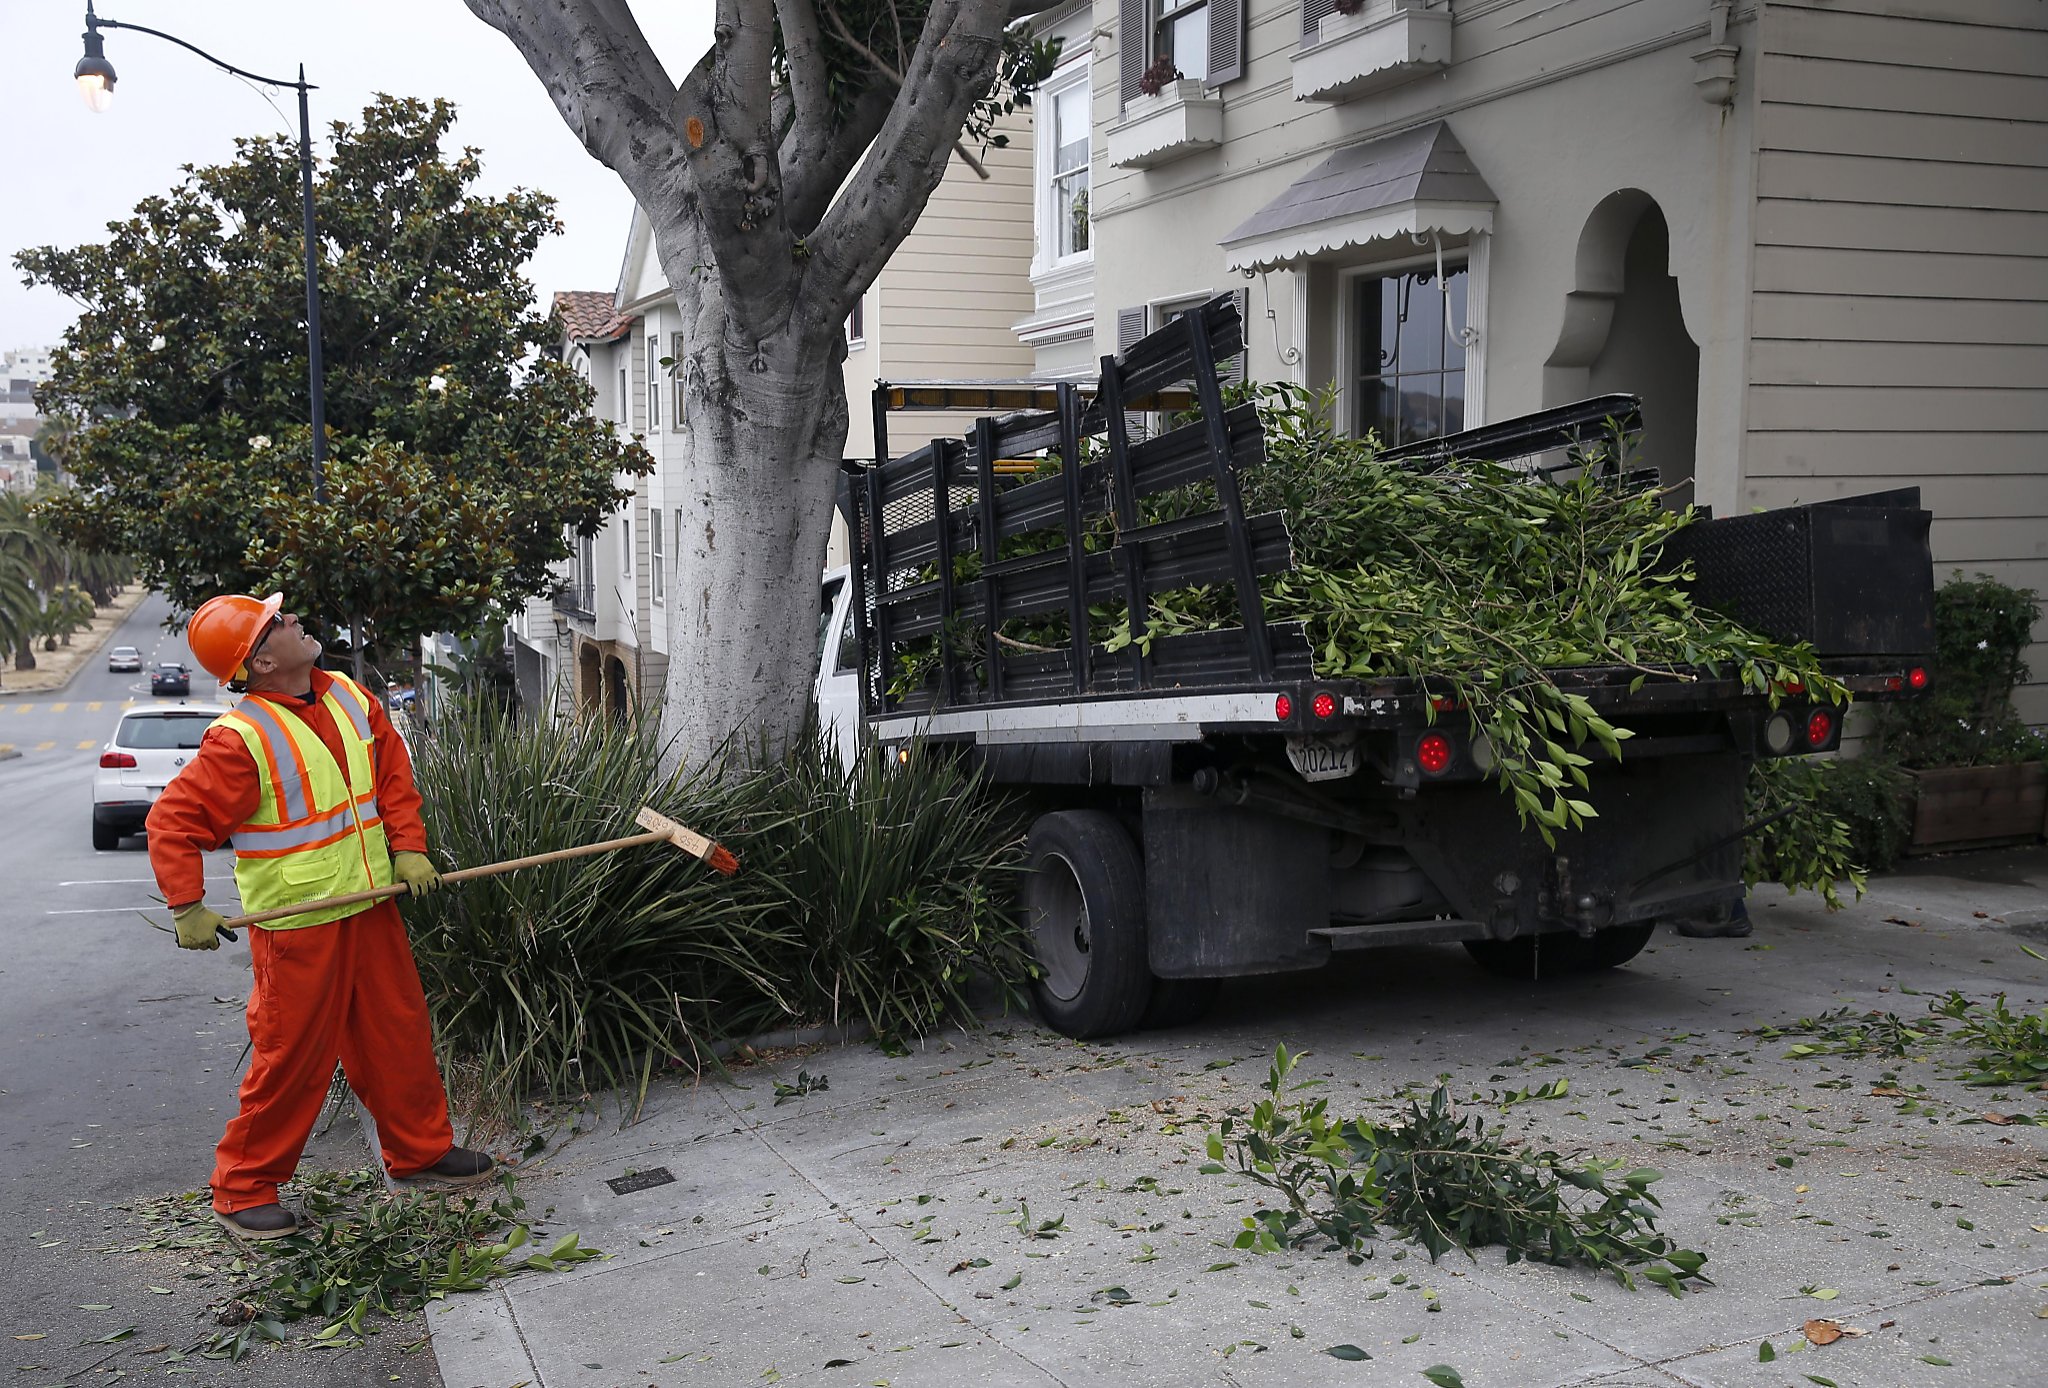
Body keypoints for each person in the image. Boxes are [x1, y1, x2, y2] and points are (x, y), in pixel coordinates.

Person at [147, 592, 494, 1239]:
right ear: (261, 661)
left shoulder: (350, 698)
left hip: (368, 906)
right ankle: (243, 1188)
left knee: (398, 1033)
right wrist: (186, 904)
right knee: (293, 1060)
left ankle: (420, 1151)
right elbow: (173, 820)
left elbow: (393, 775)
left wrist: (410, 849)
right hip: (299, 925)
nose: (291, 620)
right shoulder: (240, 739)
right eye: (274, 622)